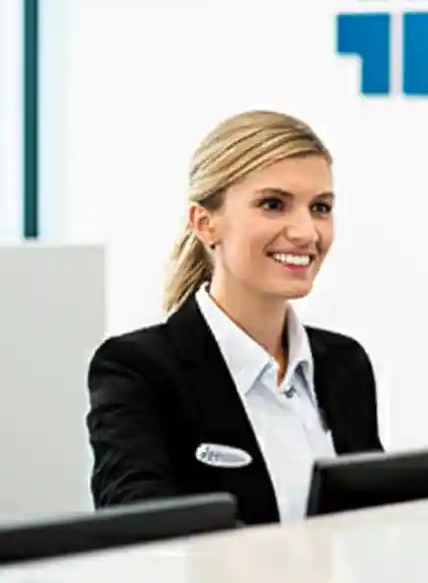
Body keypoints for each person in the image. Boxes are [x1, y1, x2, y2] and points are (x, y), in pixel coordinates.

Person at [86, 110, 383, 525]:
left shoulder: (344, 363)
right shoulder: (139, 369)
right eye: (273, 204)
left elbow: (371, 526)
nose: (305, 232)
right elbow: (137, 523)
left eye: (320, 207)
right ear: (205, 223)